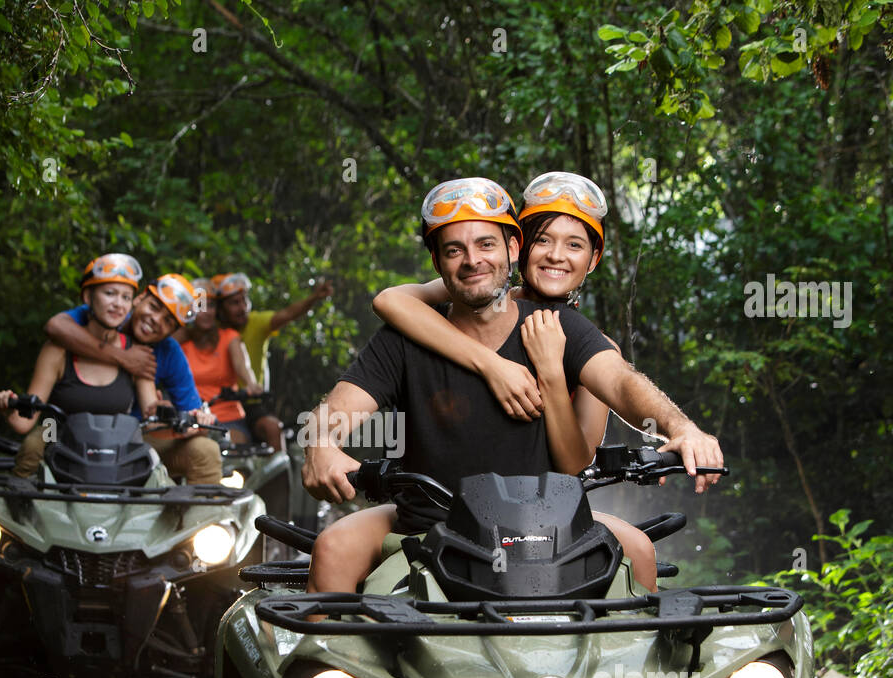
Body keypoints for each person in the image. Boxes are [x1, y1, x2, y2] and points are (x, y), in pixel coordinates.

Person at [302, 177, 723, 597]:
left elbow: (619, 380)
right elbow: (339, 408)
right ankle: (320, 664)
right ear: (436, 261)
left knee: (636, 564)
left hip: (548, 534)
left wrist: (679, 427)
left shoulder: (562, 330)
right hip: (430, 530)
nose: (472, 260)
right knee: (332, 549)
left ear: (511, 249)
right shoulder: (403, 339)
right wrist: (321, 443)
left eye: (486, 244)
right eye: (454, 249)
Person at [370, 171, 661, 590]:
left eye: (574, 245)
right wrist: (492, 363)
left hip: (545, 514)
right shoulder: (480, 294)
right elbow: (390, 300)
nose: (556, 255)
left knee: (639, 549)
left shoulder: (594, 347)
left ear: (593, 259)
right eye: (543, 240)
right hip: (447, 505)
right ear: (519, 246)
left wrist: (552, 374)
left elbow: (576, 464)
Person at [20, 266, 222, 484]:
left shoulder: (160, 355)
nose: (156, 320)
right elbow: (55, 326)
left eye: (168, 322)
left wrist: (194, 422)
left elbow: (157, 414)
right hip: (69, 431)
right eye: (154, 307)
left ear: (173, 332)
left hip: (135, 439)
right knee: (35, 444)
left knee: (205, 449)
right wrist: (124, 358)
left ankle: (199, 517)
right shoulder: (108, 313)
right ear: (140, 298)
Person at [206, 272, 334, 450]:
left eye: (244, 301)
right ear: (220, 308)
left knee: (273, 428)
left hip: (253, 402)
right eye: (235, 303)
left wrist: (314, 298)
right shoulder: (210, 330)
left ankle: (281, 477)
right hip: (220, 404)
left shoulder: (256, 322)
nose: (242, 307)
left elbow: (288, 314)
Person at [179, 280, 263, 445]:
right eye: (199, 306)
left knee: (228, 444)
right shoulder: (182, 343)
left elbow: (241, 365)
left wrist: (251, 383)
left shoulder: (229, 337)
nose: (206, 312)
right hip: (192, 420)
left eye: (210, 306)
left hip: (228, 418)